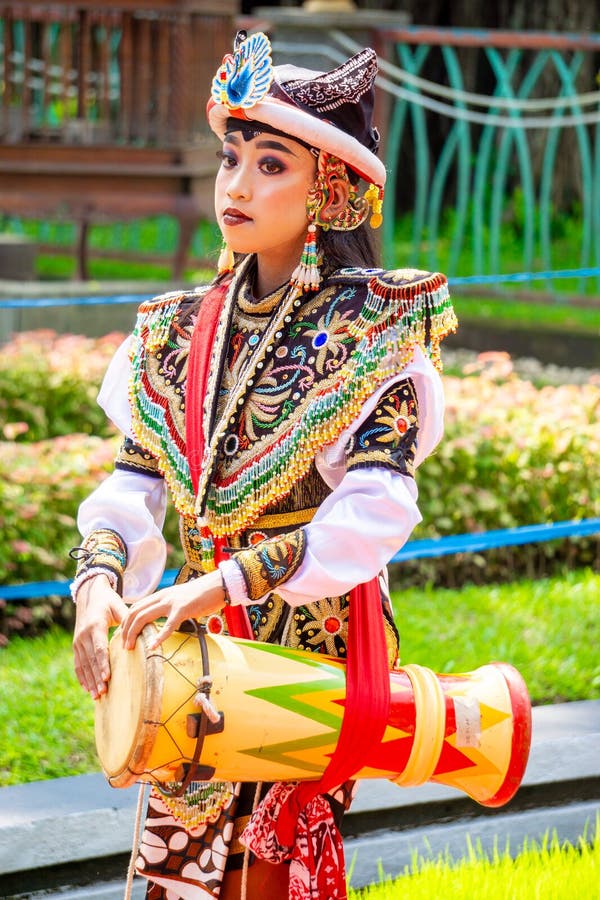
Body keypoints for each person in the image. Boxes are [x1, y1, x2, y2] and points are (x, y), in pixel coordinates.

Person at [71, 30, 457, 900]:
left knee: (262, 876)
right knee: (175, 867)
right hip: (190, 640)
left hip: (305, 651)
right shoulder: (175, 331)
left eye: (270, 164)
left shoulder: (376, 331)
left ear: (330, 188)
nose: (236, 186)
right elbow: (134, 484)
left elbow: (375, 514)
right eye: (230, 158)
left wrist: (227, 584)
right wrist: (97, 583)